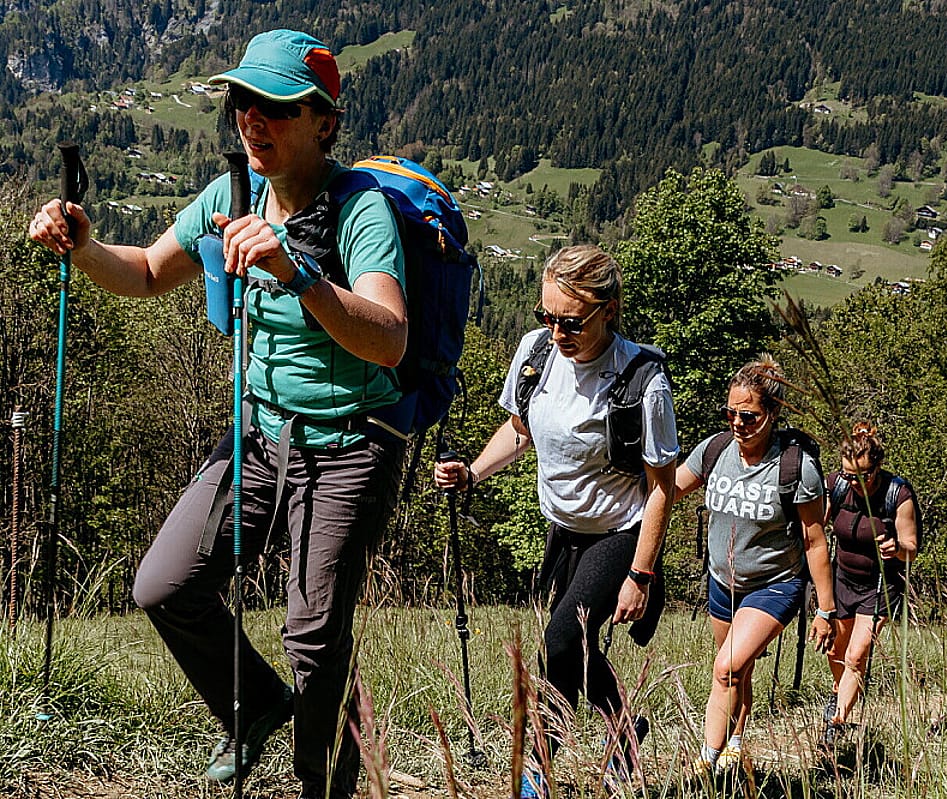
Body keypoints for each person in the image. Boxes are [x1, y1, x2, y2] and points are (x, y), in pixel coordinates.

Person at [30, 30, 408, 799]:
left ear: (323, 121)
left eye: (273, 105)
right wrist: (83, 247)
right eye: (242, 102)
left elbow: (391, 337)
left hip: (347, 445)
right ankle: (260, 706)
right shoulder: (228, 195)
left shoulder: (359, 210)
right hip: (262, 434)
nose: (251, 120)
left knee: (312, 634)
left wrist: (294, 271)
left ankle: (324, 782)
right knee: (164, 586)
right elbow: (142, 273)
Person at [433, 244, 678, 798]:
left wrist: (641, 574)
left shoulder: (643, 380)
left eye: (570, 321)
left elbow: (662, 486)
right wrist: (472, 473)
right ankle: (626, 735)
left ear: (608, 310)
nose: (556, 331)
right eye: (546, 317)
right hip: (562, 532)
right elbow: (520, 429)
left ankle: (537, 765)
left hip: (619, 532)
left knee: (561, 643)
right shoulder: (537, 354)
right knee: (583, 652)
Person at [673, 355, 836, 776]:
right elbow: (668, 489)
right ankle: (736, 746)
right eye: (730, 413)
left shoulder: (796, 468)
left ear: (773, 414)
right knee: (737, 671)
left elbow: (815, 541)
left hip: (774, 583)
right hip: (722, 580)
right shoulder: (714, 451)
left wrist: (825, 609)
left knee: (725, 668)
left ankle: (704, 766)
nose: (737, 423)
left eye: (748, 415)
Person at [823, 423, 919, 741]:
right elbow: (814, 528)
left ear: (876, 467)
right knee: (835, 651)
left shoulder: (898, 494)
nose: (855, 482)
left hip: (881, 583)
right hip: (842, 578)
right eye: (849, 475)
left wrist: (897, 548)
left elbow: (912, 547)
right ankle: (843, 691)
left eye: (862, 476)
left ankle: (835, 724)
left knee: (856, 654)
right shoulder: (835, 487)